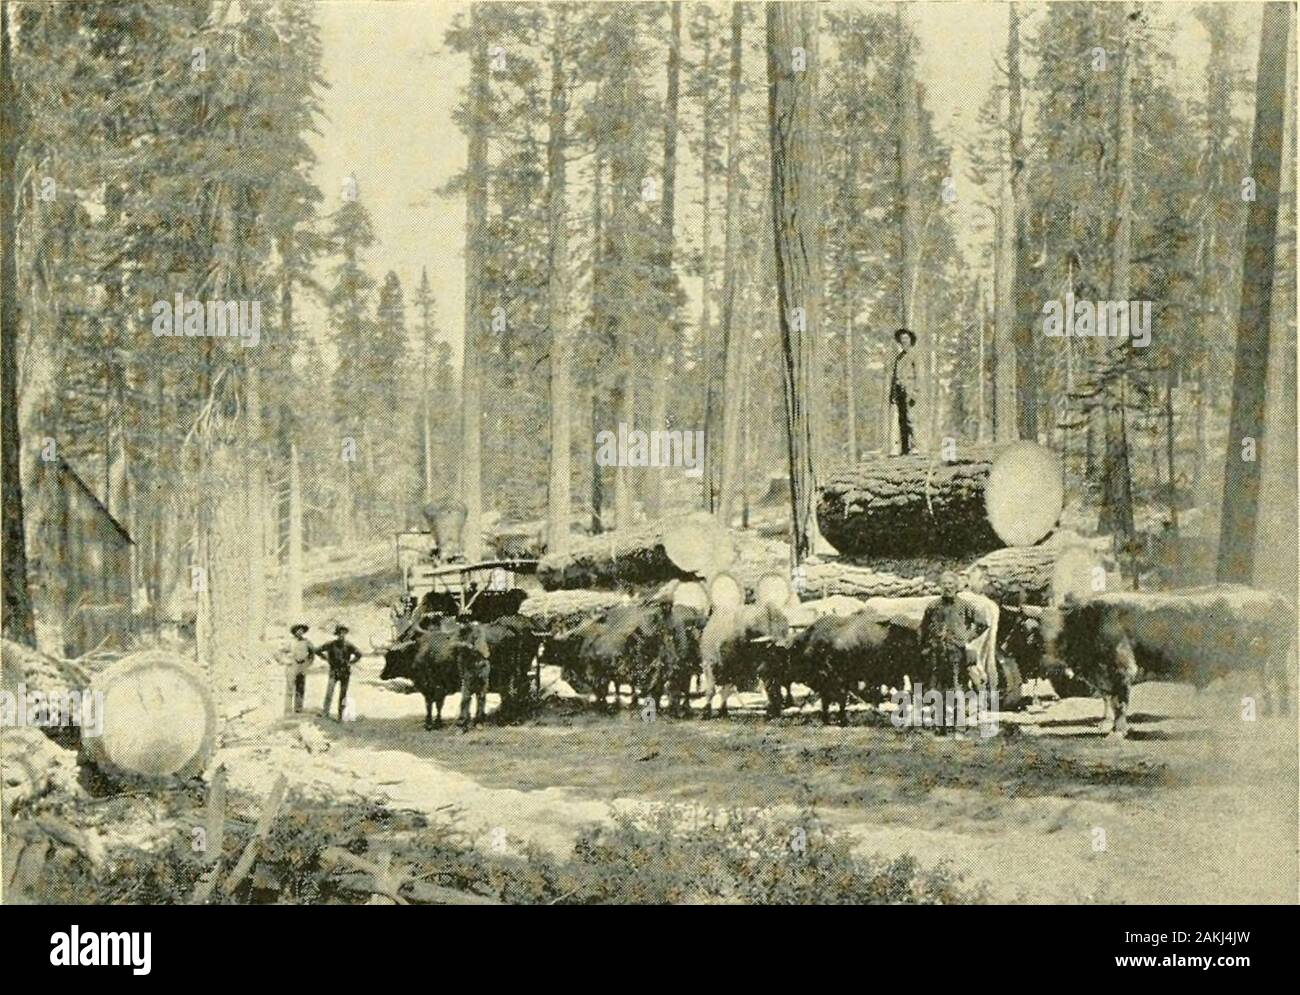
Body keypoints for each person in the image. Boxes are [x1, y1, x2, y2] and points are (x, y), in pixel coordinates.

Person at [919, 572, 986, 735]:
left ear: (956, 587)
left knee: (958, 688)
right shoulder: (933, 606)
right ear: (940, 587)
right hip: (937, 653)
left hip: (957, 652)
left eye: (951, 584)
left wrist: (966, 637)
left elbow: (982, 624)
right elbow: (923, 628)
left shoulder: (965, 606)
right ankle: (940, 726)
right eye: (944, 584)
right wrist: (925, 647)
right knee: (938, 689)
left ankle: (960, 726)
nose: (947, 587)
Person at [320, 623, 363, 721]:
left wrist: (350, 662)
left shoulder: (348, 645)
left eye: (343, 633)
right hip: (333, 672)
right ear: (337, 634)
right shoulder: (331, 644)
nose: (341, 635)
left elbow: (359, 654)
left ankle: (340, 716)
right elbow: (317, 650)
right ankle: (325, 714)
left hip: (345, 672)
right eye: (340, 633)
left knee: (343, 695)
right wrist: (326, 658)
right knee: (329, 693)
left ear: (345, 634)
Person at [888, 327, 919, 455]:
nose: (904, 341)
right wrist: (892, 393)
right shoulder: (898, 358)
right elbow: (894, 377)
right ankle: (905, 449)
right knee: (901, 420)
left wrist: (915, 392)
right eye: (901, 339)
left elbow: (919, 375)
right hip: (900, 391)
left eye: (906, 338)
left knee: (910, 419)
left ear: (910, 340)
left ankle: (915, 446)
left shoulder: (914, 355)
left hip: (910, 389)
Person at [283, 623, 317, 715]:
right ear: (294, 632)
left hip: (302, 667)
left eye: (302, 630)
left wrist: (308, 663)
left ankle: (298, 709)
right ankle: (288, 710)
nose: (300, 632)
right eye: (298, 630)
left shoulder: (307, 642)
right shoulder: (289, 642)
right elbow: (279, 652)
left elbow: (312, 653)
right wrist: (285, 661)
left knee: (300, 688)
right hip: (292, 666)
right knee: (290, 688)